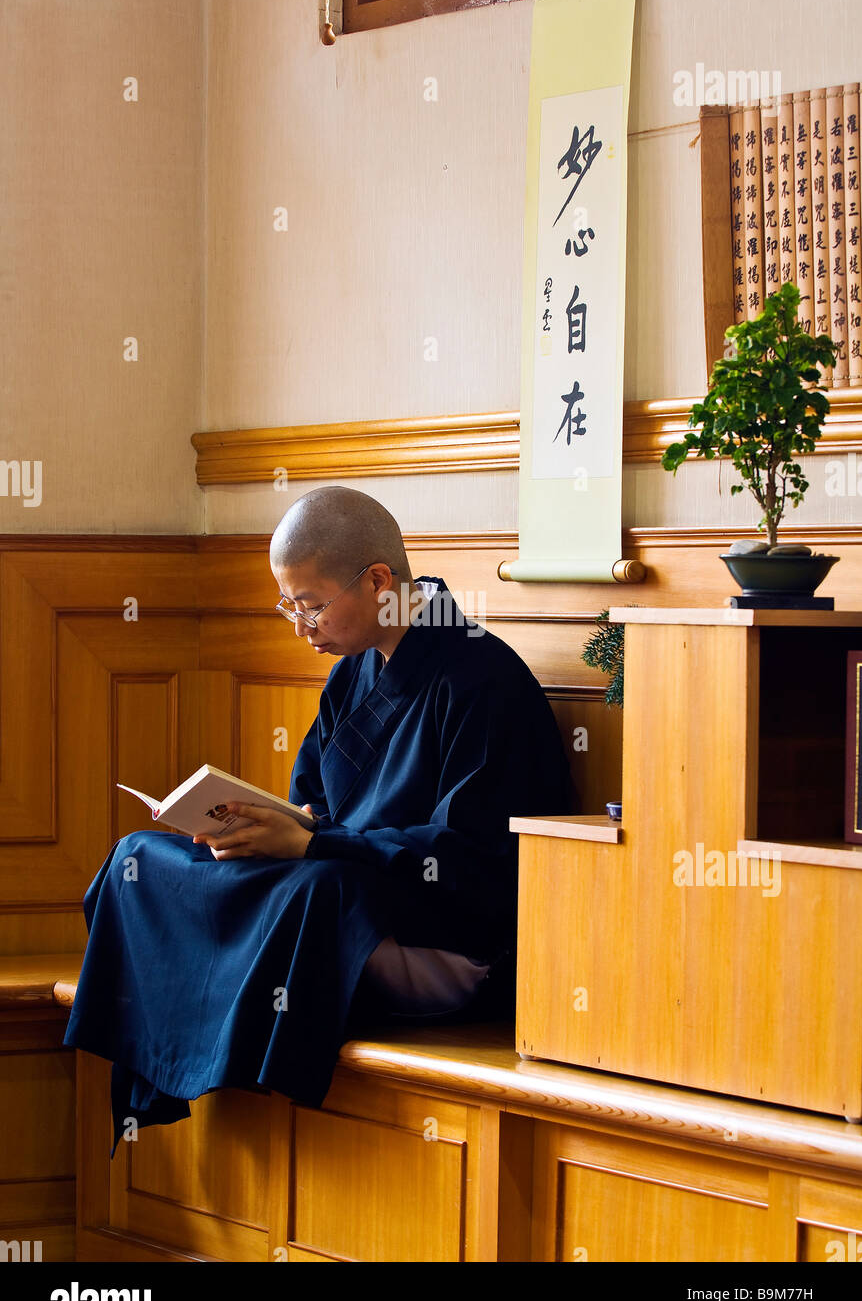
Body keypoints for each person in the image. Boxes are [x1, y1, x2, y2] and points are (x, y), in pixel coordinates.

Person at [62, 486, 572, 1156]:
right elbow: (314, 805)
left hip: (432, 926)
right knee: (141, 859)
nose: (299, 625)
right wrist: (260, 829)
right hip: (337, 879)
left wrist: (312, 843)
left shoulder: (482, 681)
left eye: (308, 604)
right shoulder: (354, 671)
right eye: (288, 606)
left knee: (316, 889)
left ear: (379, 580)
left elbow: (472, 860)